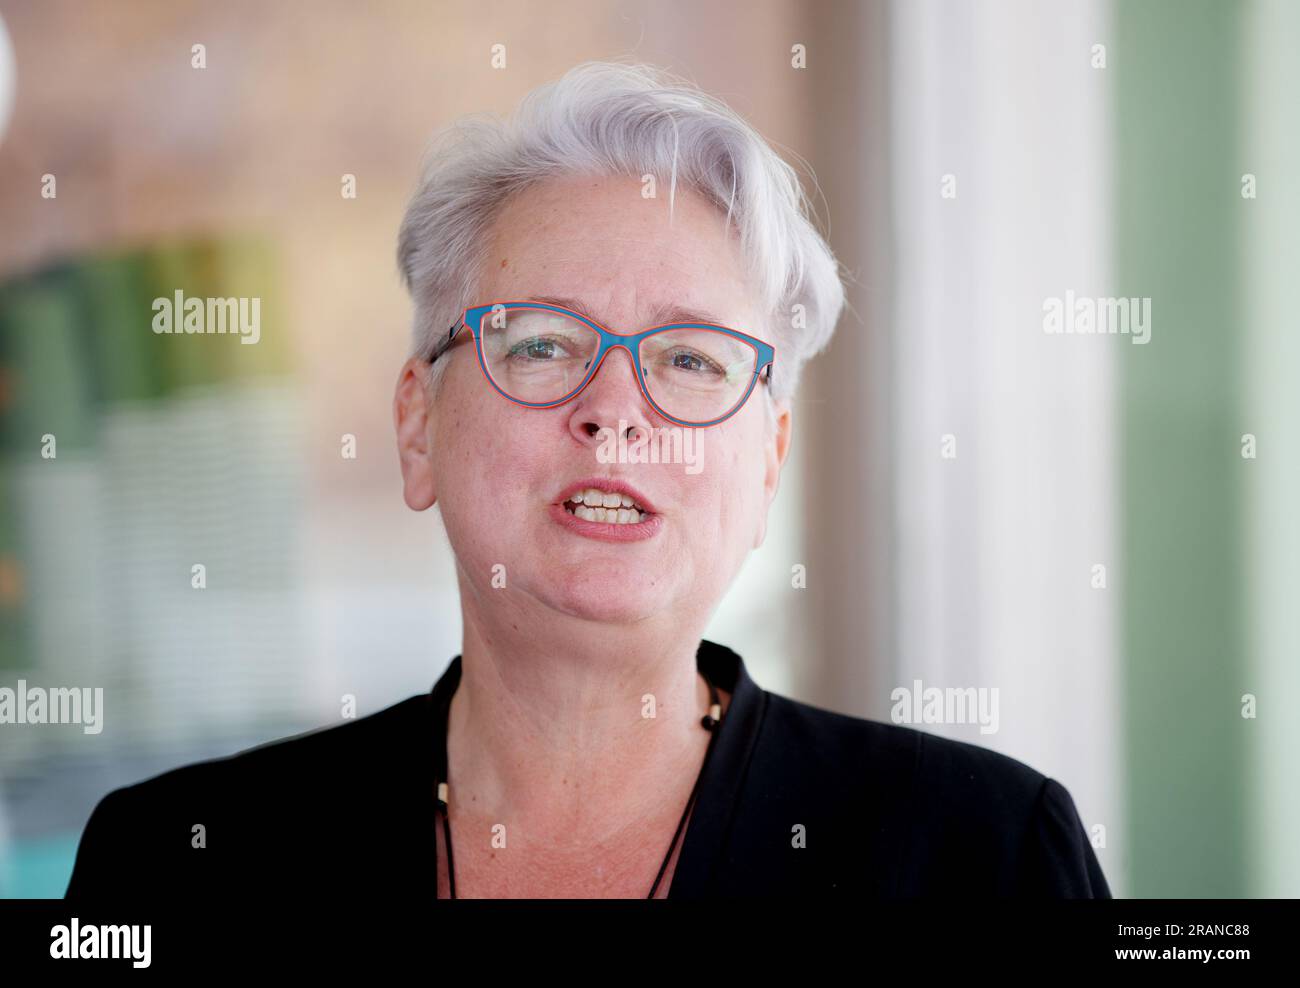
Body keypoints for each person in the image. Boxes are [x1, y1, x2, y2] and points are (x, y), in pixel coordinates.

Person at [65, 60, 1109, 899]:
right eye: (542, 344)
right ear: (417, 427)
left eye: (691, 359)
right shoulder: (172, 863)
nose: (615, 410)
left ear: (766, 466)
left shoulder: (984, 856)